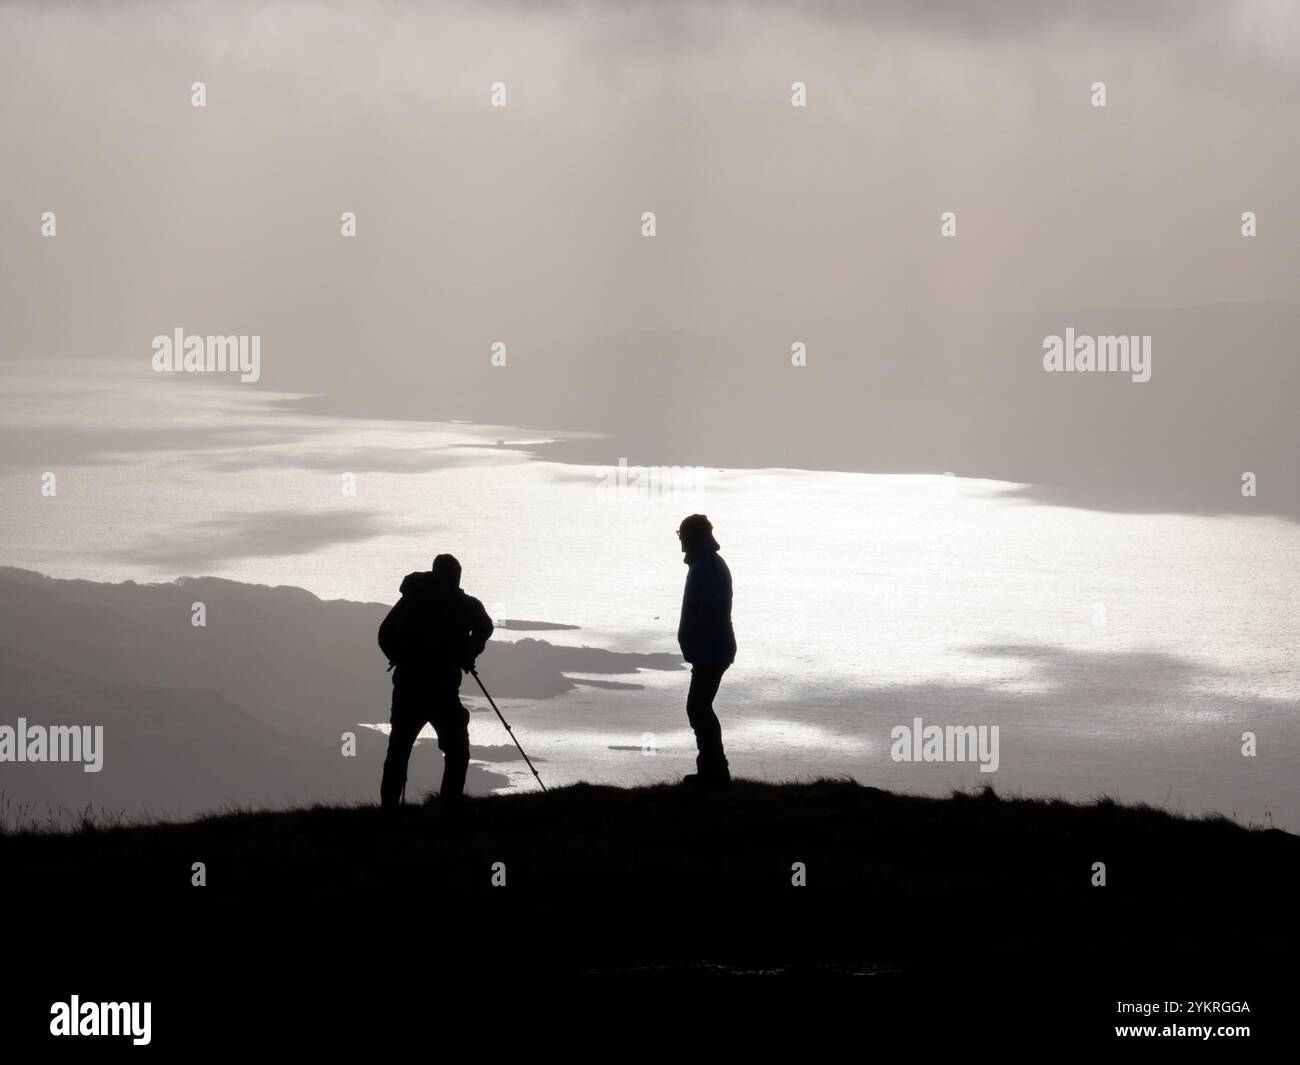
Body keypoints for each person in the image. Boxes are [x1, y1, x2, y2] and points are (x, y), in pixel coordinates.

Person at [378, 553, 493, 811]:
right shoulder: (463, 603)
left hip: (408, 688)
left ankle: (388, 810)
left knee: (398, 750)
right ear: (454, 576)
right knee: (457, 751)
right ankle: (450, 806)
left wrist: (399, 657)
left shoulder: (411, 599)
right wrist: (469, 650)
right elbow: (485, 626)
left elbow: (384, 633)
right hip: (443, 691)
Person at [676, 514, 736, 787]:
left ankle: (714, 772)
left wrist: (695, 635)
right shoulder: (705, 563)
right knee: (700, 708)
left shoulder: (705, 566)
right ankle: (712, 770)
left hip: (712, 650)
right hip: (711, 649)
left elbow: (711, 609)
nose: (681, 543)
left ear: (694, 537)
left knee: (699, 709)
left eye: (683, 537)